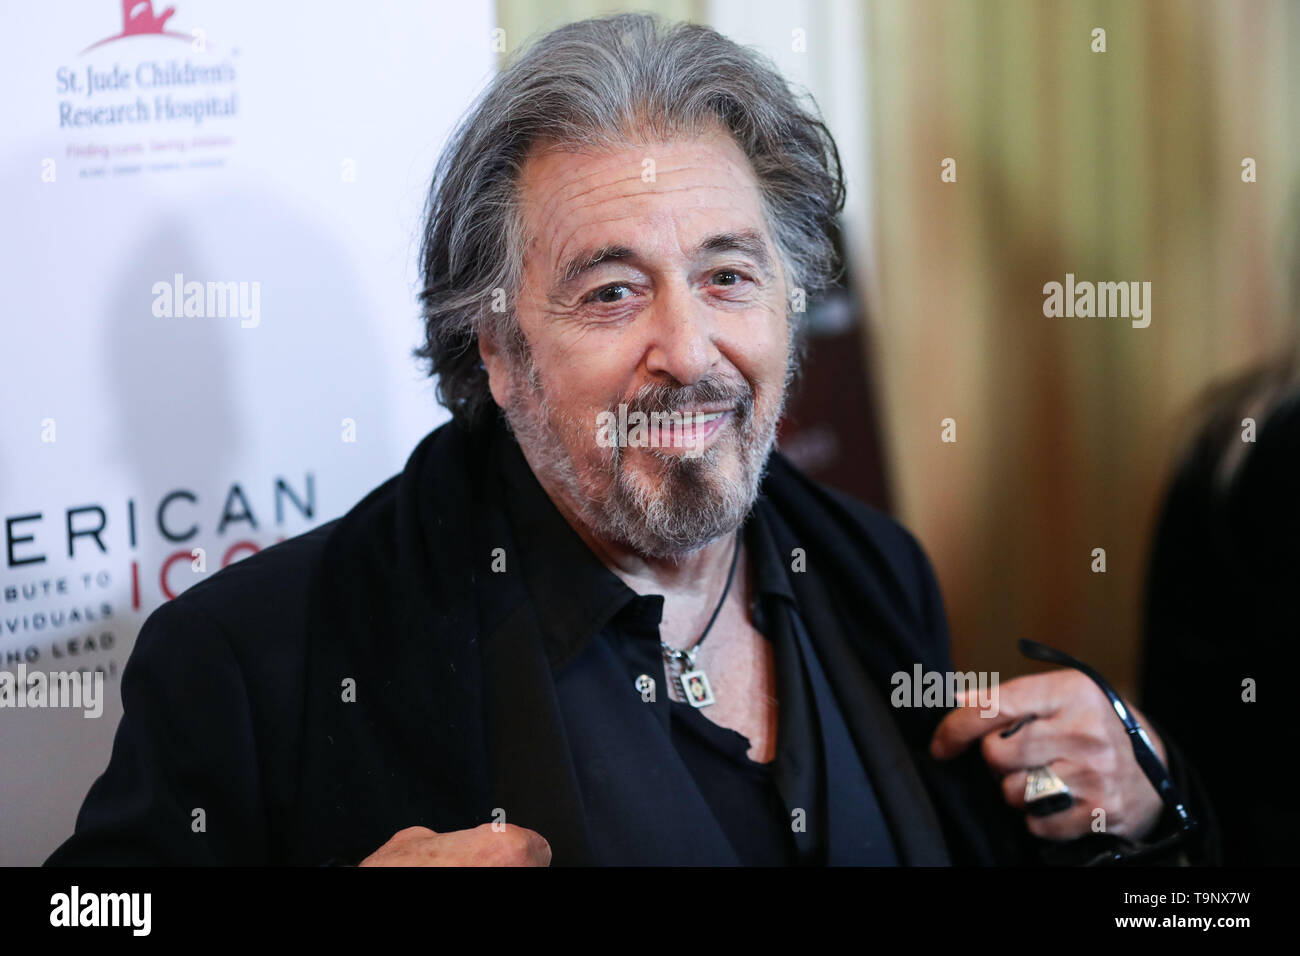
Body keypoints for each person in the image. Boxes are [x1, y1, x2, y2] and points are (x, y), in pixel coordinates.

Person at [46, 13, 1215, 867]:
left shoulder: (872, 572)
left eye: (727, 275)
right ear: (498, 351)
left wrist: (1147, 812)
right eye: (611, 291)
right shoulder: (256, 663)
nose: (691, 348)